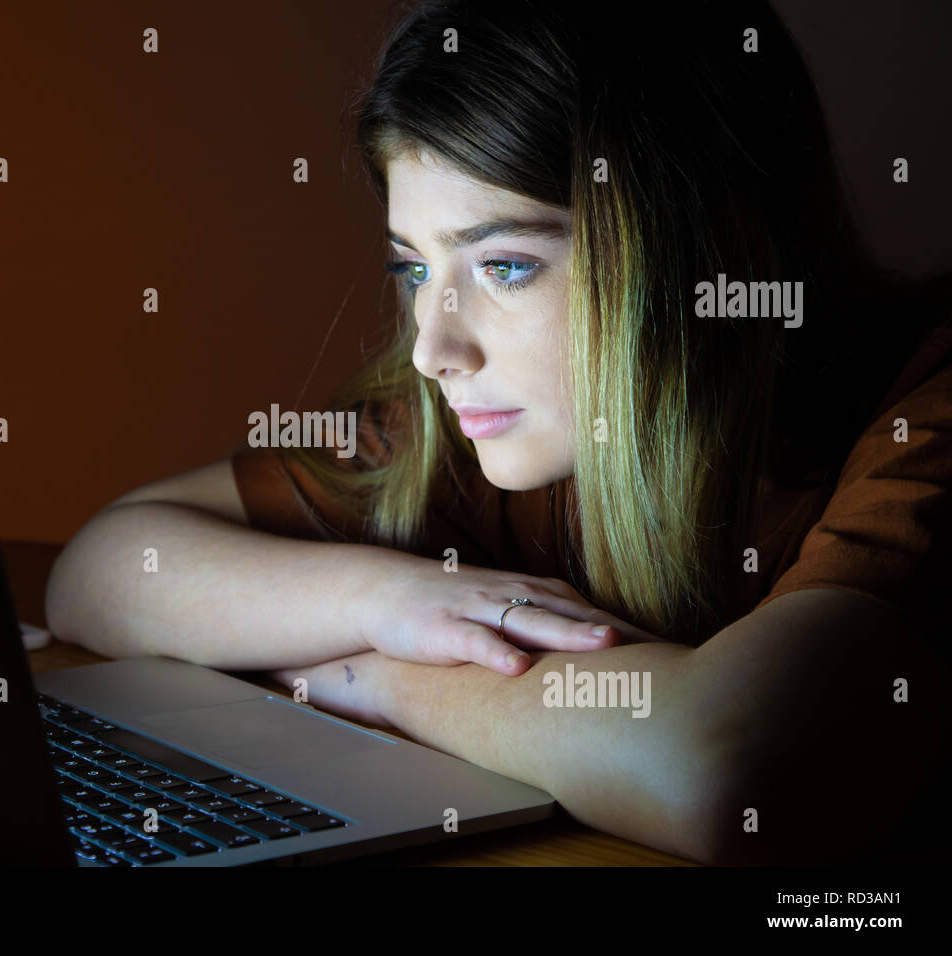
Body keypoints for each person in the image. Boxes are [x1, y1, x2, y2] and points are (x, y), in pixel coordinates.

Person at [46, 0, 952, 864]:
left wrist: (381, 674)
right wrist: (389, 604)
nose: (434, 348)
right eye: (414, 269)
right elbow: (102, 569)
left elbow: (725, 772)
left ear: (716, 246)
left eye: (506, 266)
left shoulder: (921, 413)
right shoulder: (467, 438)